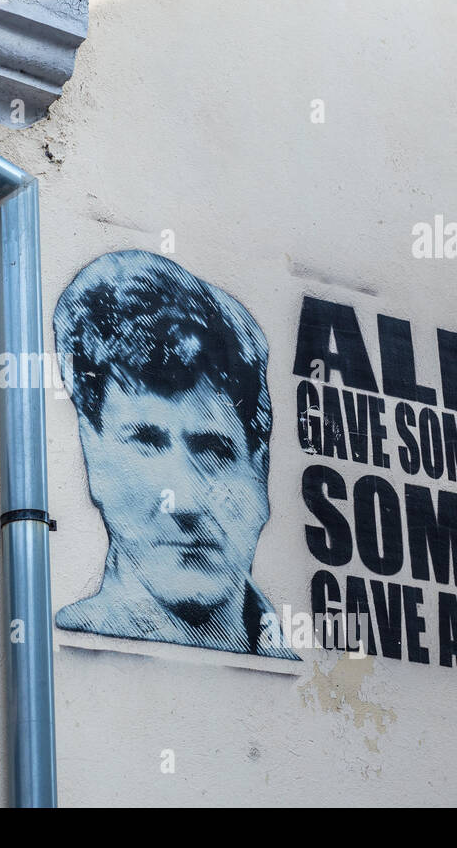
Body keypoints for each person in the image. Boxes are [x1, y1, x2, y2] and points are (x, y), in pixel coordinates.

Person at [53, 250, 297, 659]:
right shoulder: (69, 652)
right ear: (92, 453)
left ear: (260, 469)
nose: (184, 502)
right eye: (146, 443)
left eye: (215, 450)